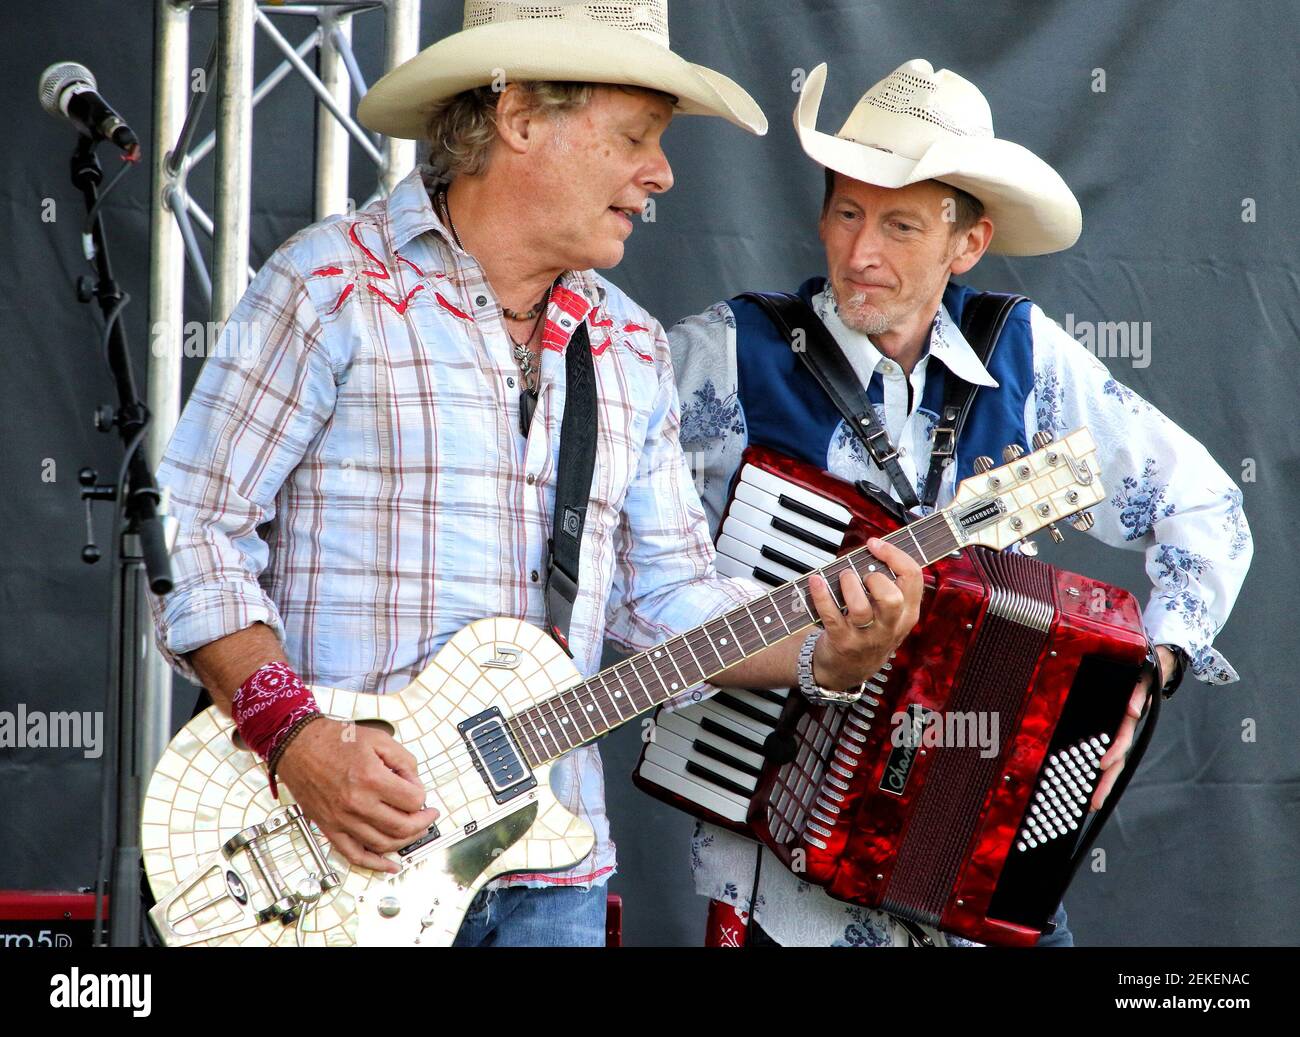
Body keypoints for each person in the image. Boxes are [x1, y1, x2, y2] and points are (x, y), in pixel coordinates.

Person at [147, 2, 926, 948]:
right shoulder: (329, 290)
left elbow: (667, 602)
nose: (662, 174)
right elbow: (191, 530)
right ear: (520, 120)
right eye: (636, 136)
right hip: (329, 862)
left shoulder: (630, 345)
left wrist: (824, 653)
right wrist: (295, 736)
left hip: (550, 867)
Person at [669, 59, 1252, 947]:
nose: (862, 253)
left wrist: (1157, 662)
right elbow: (614, 565)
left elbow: (1206, 505)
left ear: (966, 244)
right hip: (776, 879)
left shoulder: (1024, 358)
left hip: (969, 862)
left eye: (901, 225)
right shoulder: (724, 355)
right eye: (847, 212)